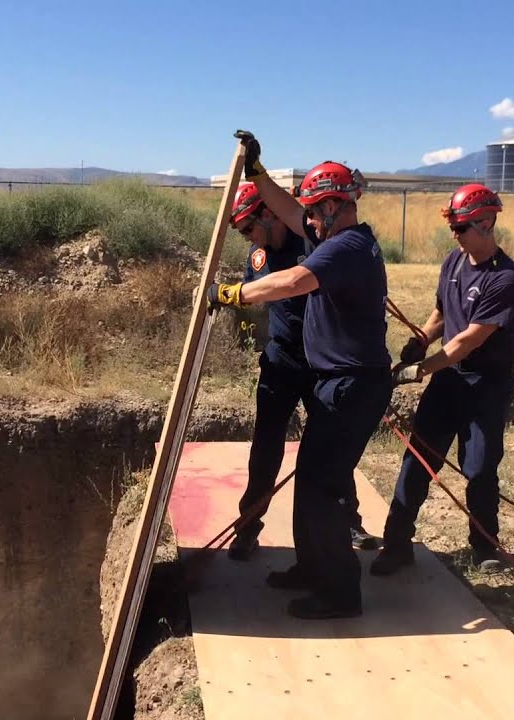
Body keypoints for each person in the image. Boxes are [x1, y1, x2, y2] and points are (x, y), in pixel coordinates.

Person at [207, 134, 391, 619]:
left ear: (334, 206)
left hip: (351, 386)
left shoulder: (345, 247)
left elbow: (291, 281)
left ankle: (339, 594)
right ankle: (313, 570)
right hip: (340, 383)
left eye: (314, 212)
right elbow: (287, 210)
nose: (305, 221)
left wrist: (231, 294)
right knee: (313, 482)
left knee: (322, 490)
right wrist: (258, 174)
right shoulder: (338, 236)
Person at [368, 183, 514, 577]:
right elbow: (441, 316)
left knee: (480, 467)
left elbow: (468, 340)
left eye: (462, 227)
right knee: (417, 460)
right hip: (450, 380)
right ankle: (397, 543)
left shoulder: (505, 279)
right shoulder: (453, 263)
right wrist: (419, 340)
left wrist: (419, 371)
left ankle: (485, 546)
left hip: (486, 385)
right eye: (453, 227)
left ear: (487, 223)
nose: (455, 234)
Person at [224, 181, 380, 562]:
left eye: (248, 228)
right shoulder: (259, 255)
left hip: (319, 363)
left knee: (327, 453)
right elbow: (259, 293)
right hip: (281, 360)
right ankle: (248, 527)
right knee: (265, 449)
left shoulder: (309, 244)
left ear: (268, 214)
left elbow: (293, 282)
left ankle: (348, 522)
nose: (248, 238)